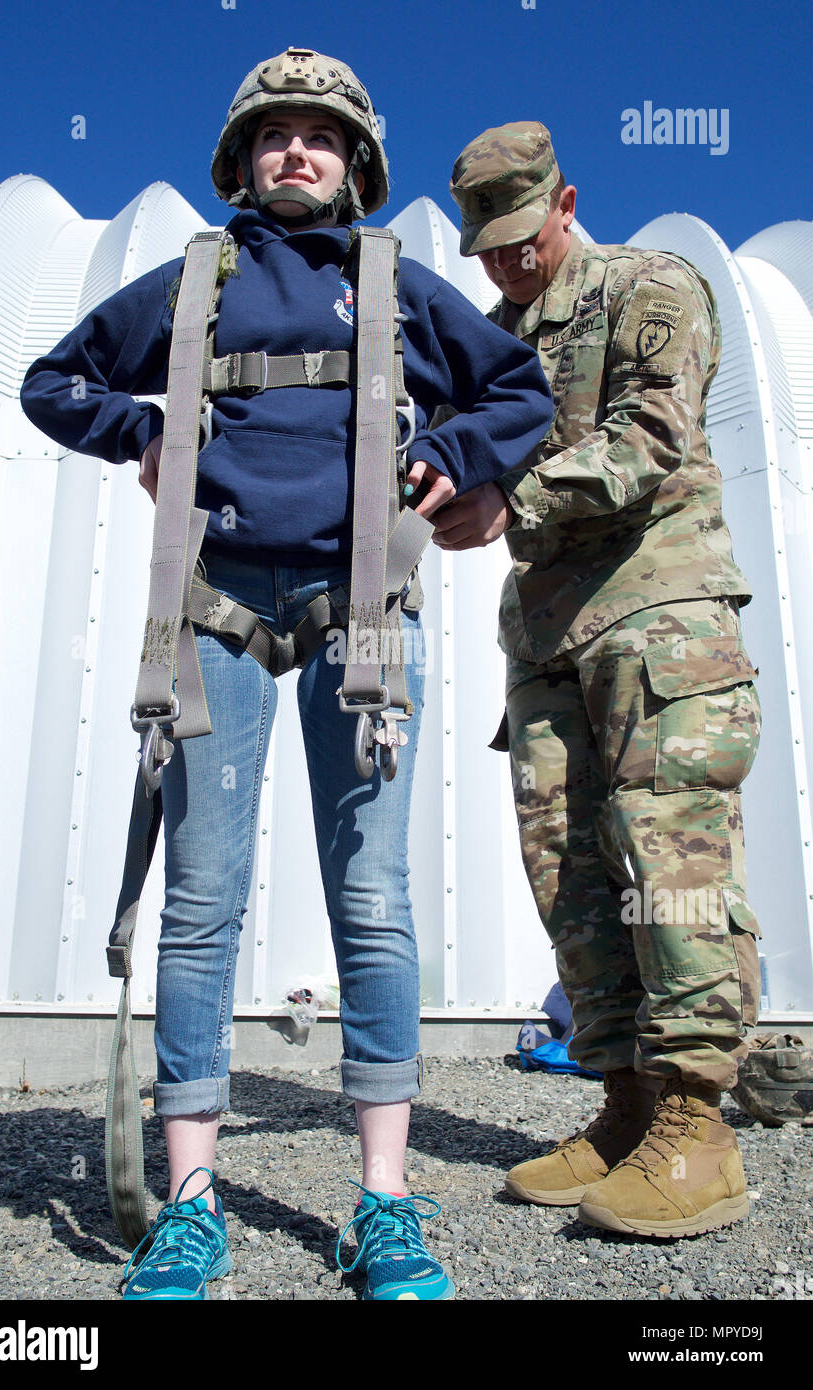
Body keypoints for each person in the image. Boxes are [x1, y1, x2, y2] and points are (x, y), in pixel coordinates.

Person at [20, 55, 554, 1299]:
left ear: (356, 163)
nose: (295, 153)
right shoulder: (195, 280)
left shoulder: (395, 285)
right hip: (211, 616)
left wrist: (457, 453)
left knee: (371, 900)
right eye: (274, 137)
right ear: (243, 161)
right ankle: (191, 1205)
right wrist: (145, 430)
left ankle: (383, 1204)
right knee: (200, 906)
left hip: (362, 619)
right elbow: (57, 380)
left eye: (320, 137)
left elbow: (513, 387)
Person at [433, 121, 762, 1239]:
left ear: (566, 203)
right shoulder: (485, 343)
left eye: (524, 238)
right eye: (490, 249)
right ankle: (623, 1104)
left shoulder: (648, 285)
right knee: (567, 869)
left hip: (655, 618)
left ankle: (697, 1124)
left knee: (670, 861)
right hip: (542, 643)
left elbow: (649, 434)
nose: (510, 264)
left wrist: (507, 504)